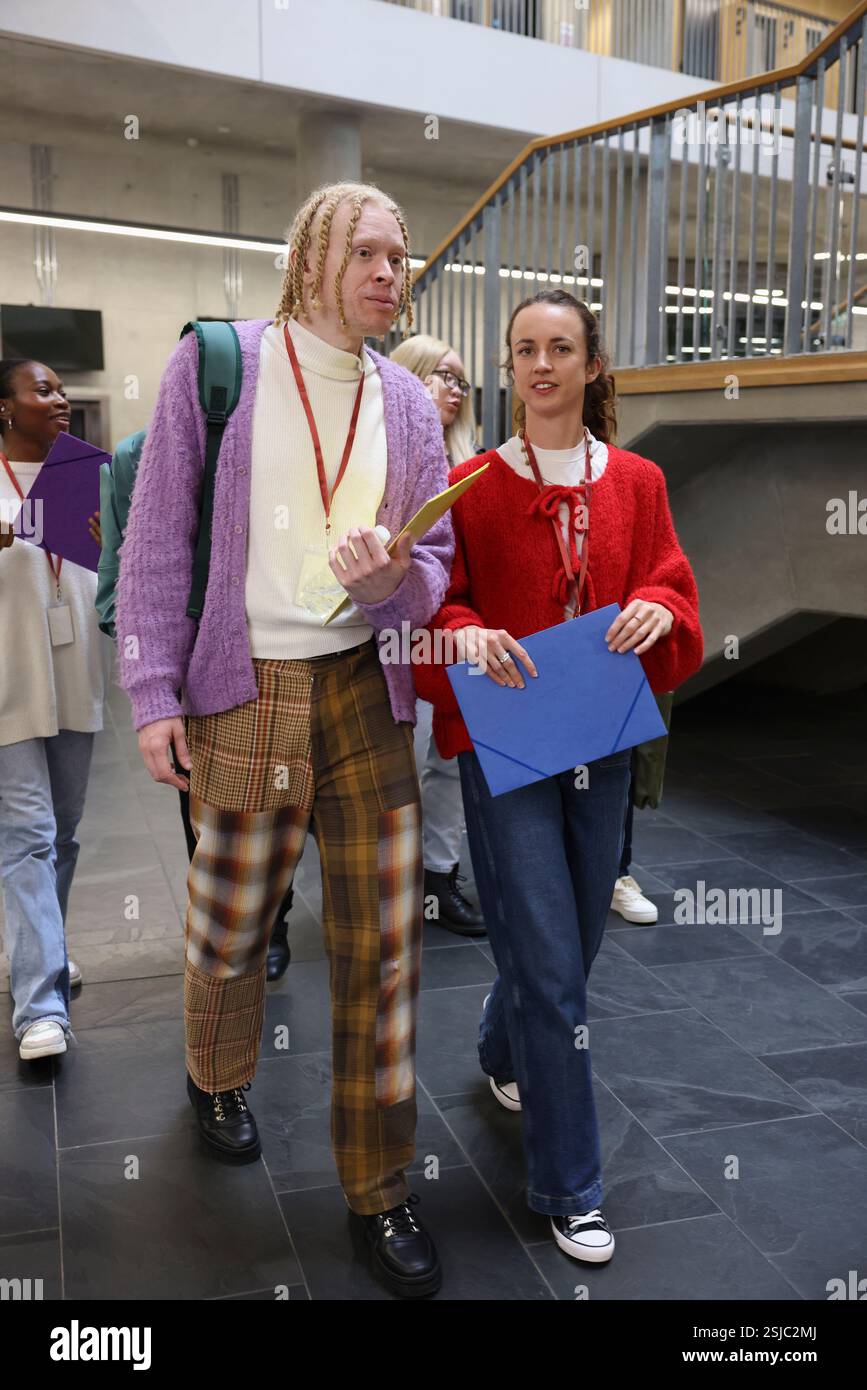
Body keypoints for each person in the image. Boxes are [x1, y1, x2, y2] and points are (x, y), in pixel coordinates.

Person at [115, 181, 453, 1299]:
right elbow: (158, 535)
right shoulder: (218, 366)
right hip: (242, 684)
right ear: (310, 260)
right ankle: (218, 1072)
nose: (388, 274)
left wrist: (402, 578)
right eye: (367, 252)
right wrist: (154, 691)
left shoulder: (408, 403)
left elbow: (436, 564)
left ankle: (382, 1185)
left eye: (400, 258)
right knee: (231, 920)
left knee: (384, 948)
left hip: (367, 687)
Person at [413, 289, 703, 1263]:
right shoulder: (471, 484)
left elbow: (668, 579)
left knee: (573, 943)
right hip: (508, 744)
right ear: (509, 364)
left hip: (605, 735)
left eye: (561, 347)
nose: (542, 363)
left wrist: (661, 610)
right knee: (549, 960)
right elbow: (438, 606)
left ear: (590, 364)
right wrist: (468, 633)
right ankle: (571, 1185)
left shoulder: (638, 481)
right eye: (526, 348)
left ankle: (503, 1044)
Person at [0, 359, 112, 1059]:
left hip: (73, 671)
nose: (60, 400)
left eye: (61, 389)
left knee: (64, 829)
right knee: (29, 832)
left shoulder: (80, 477)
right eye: (42, 391)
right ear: (4, 410)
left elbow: (100, 574)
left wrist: (109, 544)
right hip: (8, 679)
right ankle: (39, 1006)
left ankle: (47, 948)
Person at [390, 334, 484, 936]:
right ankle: (391, 880)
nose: (452, 388)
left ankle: (440, 875)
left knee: (449, 757)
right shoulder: (383, 453)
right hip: (392, 633)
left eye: (460, 381)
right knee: (396, 761)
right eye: (439, 375)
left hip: (456, 631)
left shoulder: (475, 463)